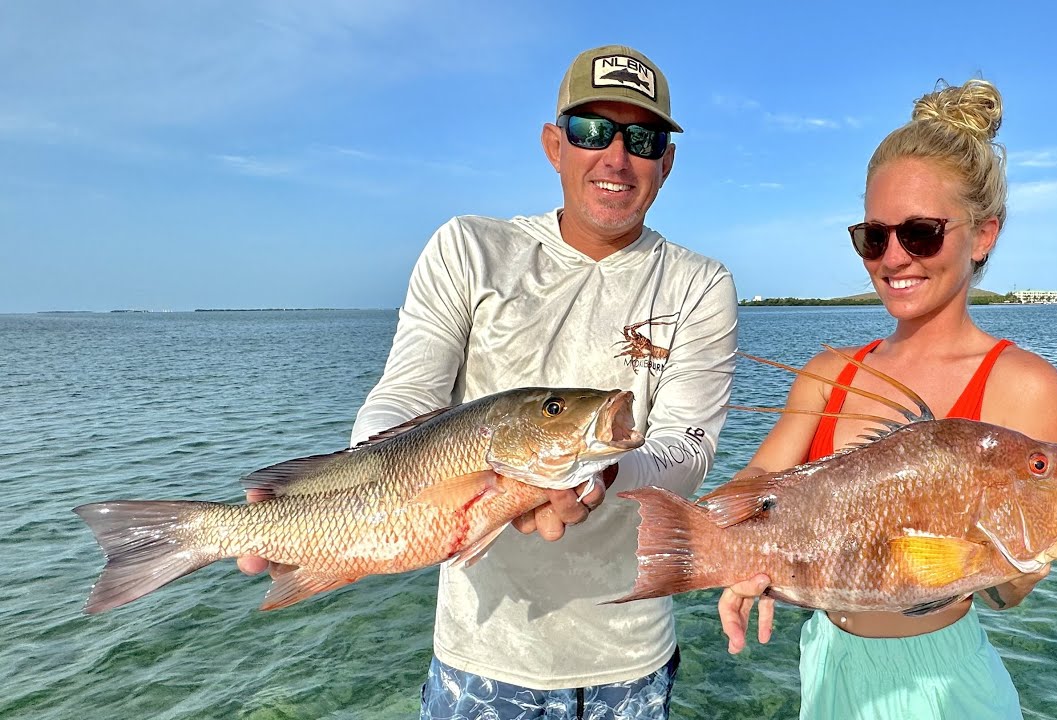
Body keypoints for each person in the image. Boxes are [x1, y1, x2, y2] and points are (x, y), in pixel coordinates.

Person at [240, 45, 738, 719]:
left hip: (630, 657)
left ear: (666, 163)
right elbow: (406, 394)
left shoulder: (700, 284)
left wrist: (601, 476)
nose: (616, 157)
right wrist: (349, 501)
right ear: (553, 144)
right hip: (482, 655)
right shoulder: (469, 248)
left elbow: (688, 449)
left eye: (642, 138)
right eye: (593, 130)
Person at [716, 79, 1057, 719]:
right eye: (873, 237)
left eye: (921, 233)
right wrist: (727, 551)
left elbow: (1005, 597)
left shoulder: (1023, 385)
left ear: (984, 234)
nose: (894, 258)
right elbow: (757, 482)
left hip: (943, 684)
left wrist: (1024, 558)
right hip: (825, 659)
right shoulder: (829, 372)